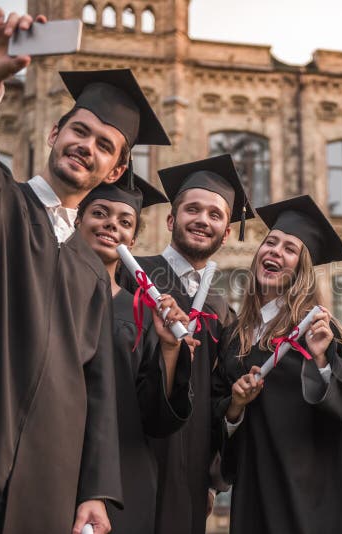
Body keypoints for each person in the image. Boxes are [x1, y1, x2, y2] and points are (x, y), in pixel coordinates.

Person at [0, 9, 171, 534]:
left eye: (102, 145)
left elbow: (98, 388)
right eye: (79, 130)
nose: (85, 146)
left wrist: (94, 489)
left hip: (51, 469)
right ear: (54, 132)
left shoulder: (93, 271)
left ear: (114, 170)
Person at [211, 195, 342, 534]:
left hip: (312, 490)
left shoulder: (320, 332)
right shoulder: (235, 334)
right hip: (254, 483)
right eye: (270, 243)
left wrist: (323, 359)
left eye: (289, 249)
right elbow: (219, 414)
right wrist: (235, 405)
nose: (275, 252)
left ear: (301, 269)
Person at [118, 154, 253, 534]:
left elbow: (219, 394)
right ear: (171, 220)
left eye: (215, 215)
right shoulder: (133, 276)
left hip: (189, 469)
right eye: (192, 209)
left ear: (226, 232)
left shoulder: (220, 309)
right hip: (130, 447)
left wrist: (211, 476)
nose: (202, 220)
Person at [76, 176, 197, 533]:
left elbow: (158, 417)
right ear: (78, 221)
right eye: (100, 213)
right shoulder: (44, 293)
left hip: (123, 479)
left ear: (133, 239)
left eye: (125, 222)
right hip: (51, 463)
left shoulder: (143, 314)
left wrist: (170, 347)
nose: (112, 224)